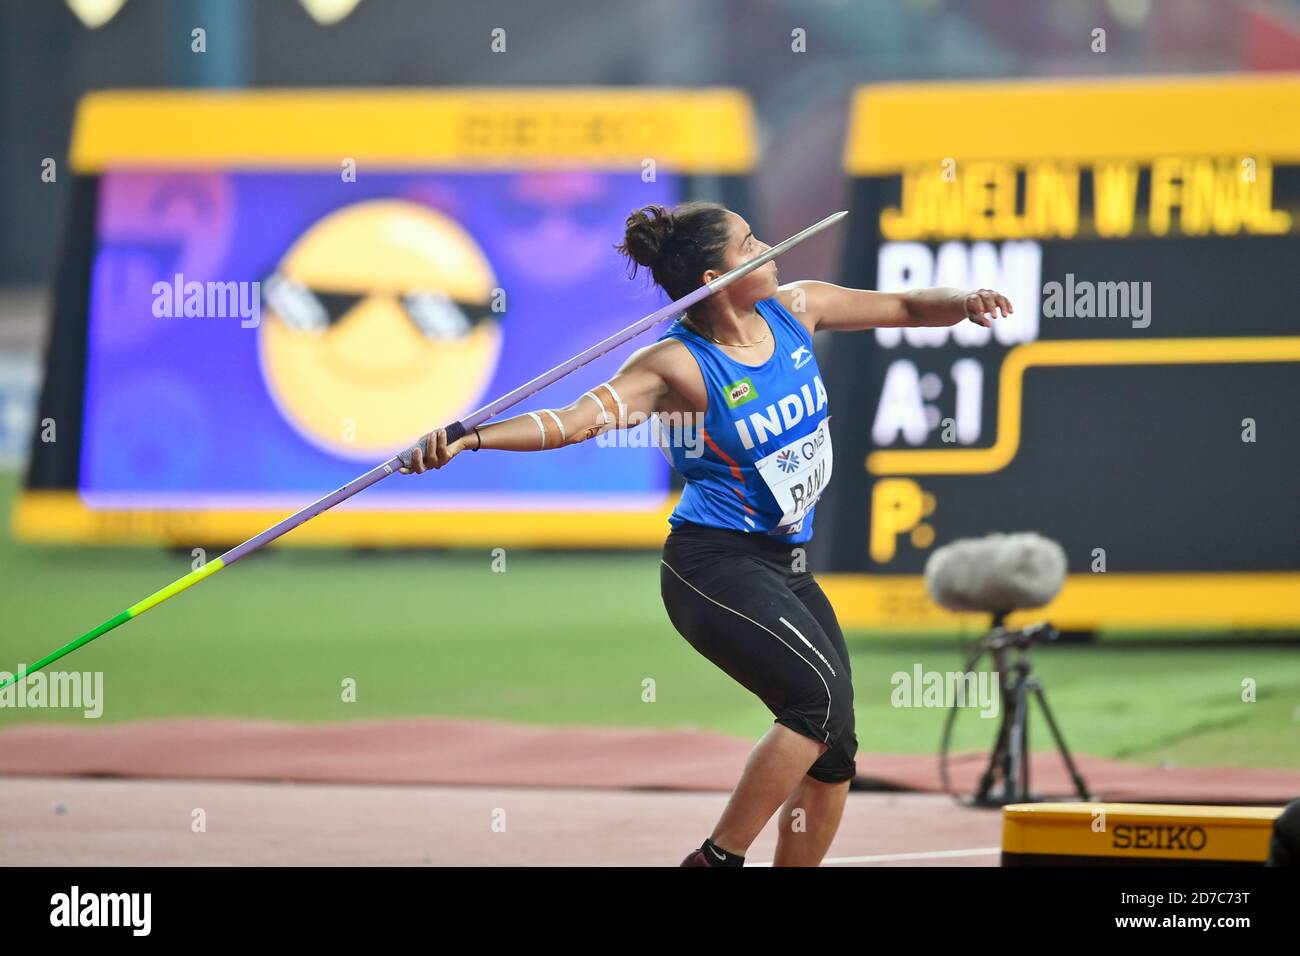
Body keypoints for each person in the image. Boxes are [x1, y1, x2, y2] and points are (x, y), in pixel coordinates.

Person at [399, 200, 1011, 866]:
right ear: (714, 279)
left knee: (835, 749)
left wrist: (965, 302)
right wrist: (470, 438)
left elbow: (909, 307)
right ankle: (717, 859)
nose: (770, 248)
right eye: (750, 245)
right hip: (714, 568)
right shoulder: (674, 366)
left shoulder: (798, 308)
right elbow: (572, 422)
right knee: (815, 703)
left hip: (786, 564)